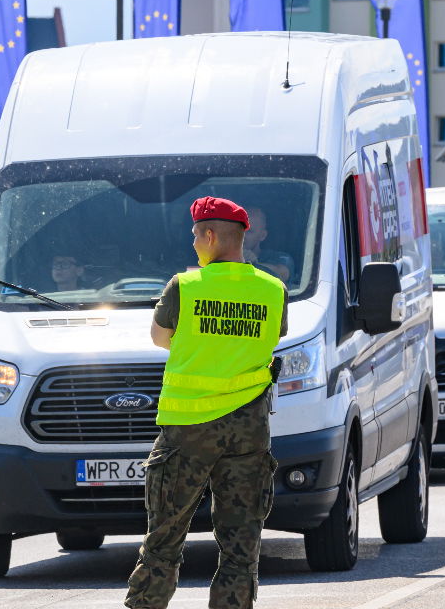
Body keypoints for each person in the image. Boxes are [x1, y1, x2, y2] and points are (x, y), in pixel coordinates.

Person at [126, 196, 288, 609]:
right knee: (240, 547)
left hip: (188, 430)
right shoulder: (273, 290)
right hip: (248, 431)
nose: (193, 241)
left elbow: (159, 338)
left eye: (196, 234)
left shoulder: (185, 286)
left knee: (164, 539)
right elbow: (271, 341)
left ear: (211, 235)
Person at [242, 206, 294, 283]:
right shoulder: (222, 255)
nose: (241, 235)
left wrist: (252, 264)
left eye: (249, 231)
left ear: (262, 235)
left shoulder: (280, 258)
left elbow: (281, 273)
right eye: (238, 229)